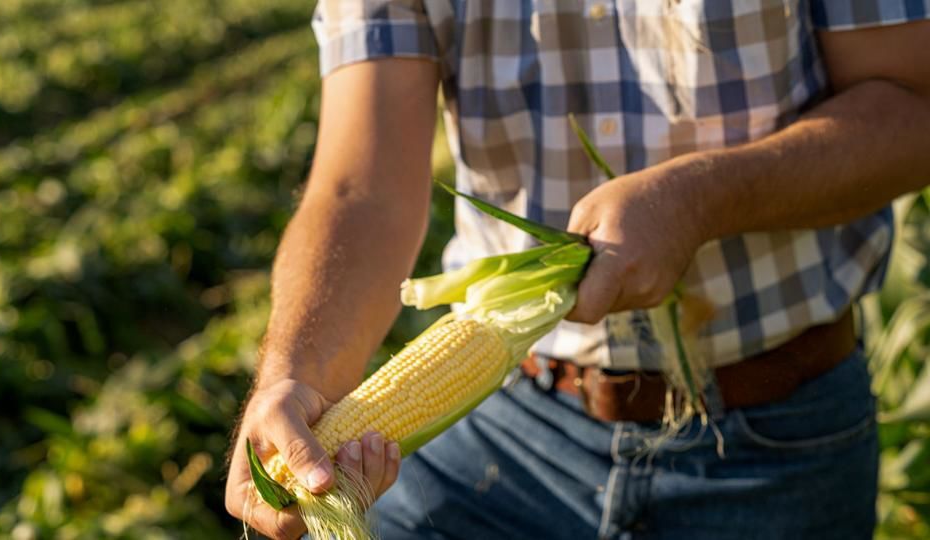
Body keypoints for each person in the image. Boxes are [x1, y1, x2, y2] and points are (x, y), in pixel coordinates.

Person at [225, 2, 930, 538]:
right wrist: (298, 371)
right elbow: (360, 185)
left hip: (775, 443)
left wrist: (703, 199)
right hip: (514, 422)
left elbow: (913, 107)